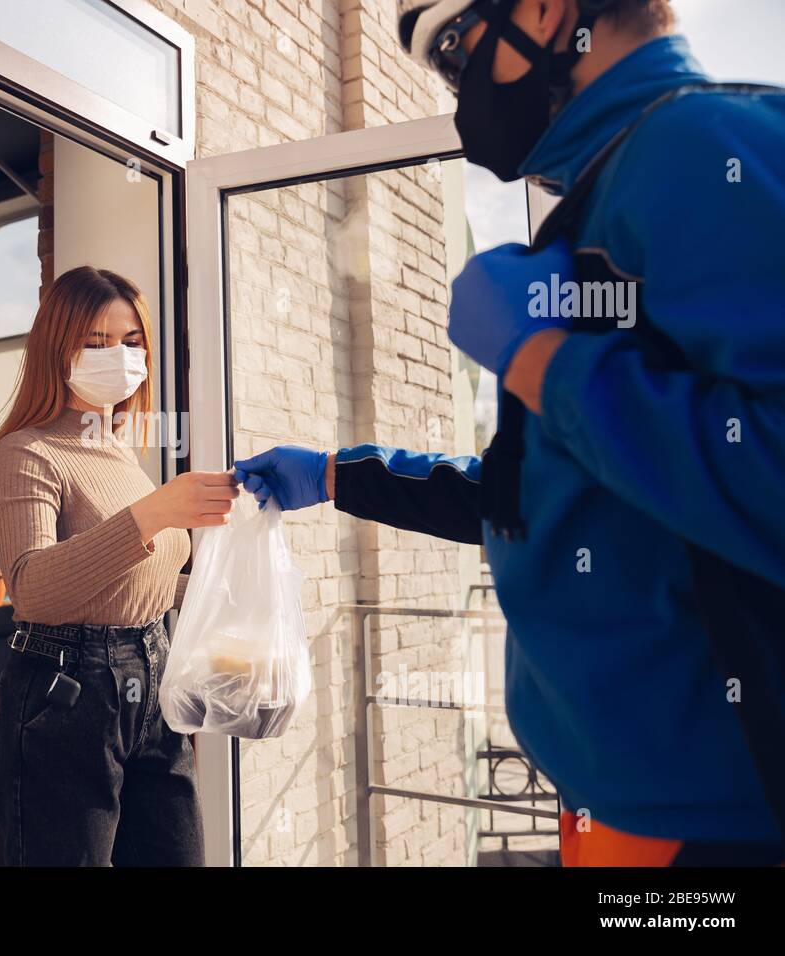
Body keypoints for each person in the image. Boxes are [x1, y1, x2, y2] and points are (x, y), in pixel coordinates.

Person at [237, 0, 785, 865]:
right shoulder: (611, 189)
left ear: (543, 10)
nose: (459, 95)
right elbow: (560, 495)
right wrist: (340, 475)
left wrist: (540, 359)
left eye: (456, 50)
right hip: (632, 803)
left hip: (721, 821)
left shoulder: (697, 149)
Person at [0, 265, 238, 866]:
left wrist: (208, 588)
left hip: (151, 674)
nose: (118, 357)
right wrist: (153, 514)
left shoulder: (118, 447)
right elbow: (32, 589)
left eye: (131, 342)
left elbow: (127, 580)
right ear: (57, 346)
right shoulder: (27, 451)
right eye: (96, 342)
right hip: (68, 692)